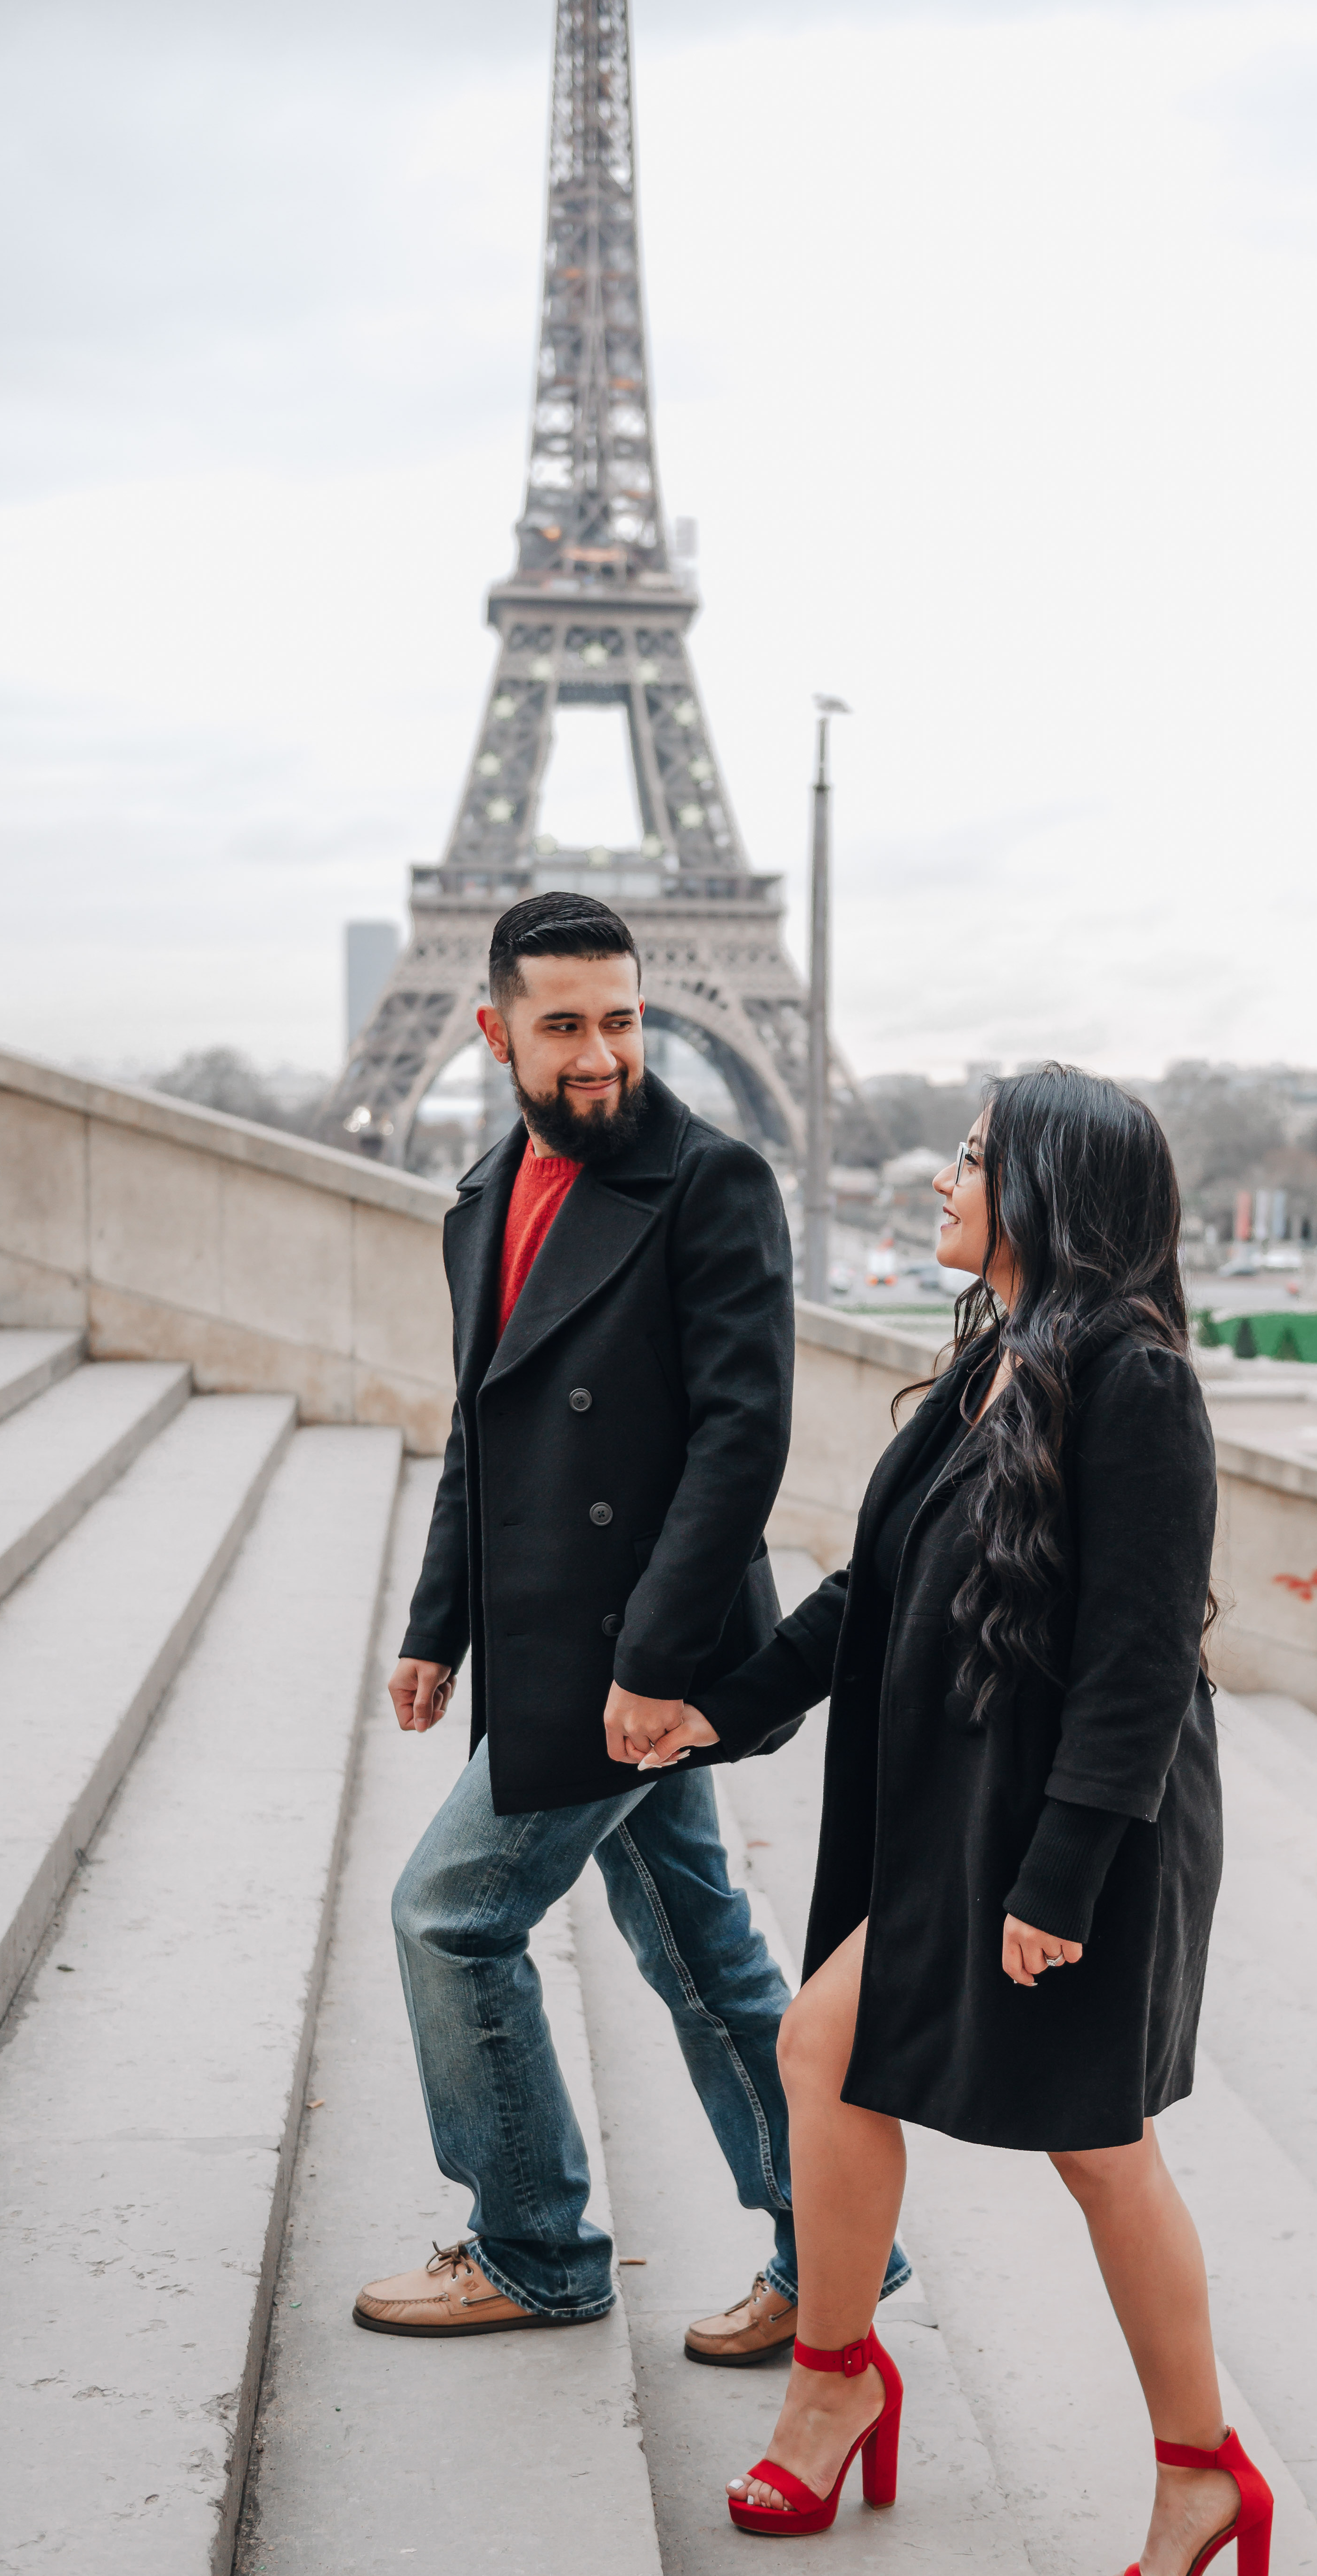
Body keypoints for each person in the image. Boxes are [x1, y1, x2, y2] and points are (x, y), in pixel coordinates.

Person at [646, 1066, 1273, 2576]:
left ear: (1048, 1190)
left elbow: (1137, 1661)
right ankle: (835, 2378)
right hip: (958, 1813)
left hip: (1079, 1830)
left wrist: (1058, 1880)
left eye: (975, 1158)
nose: (940, 1178)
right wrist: (711, 1713)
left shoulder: (1133, 1381)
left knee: (1098, 2146)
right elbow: (868, 1600)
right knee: (823, 2047)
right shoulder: (1000, 1358)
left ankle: (1201, 2469)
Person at [353, 891, 908, 2351]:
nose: (600, 1054)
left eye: (621, 1018)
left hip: (634, 1655)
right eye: (564, 1027)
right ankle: (829, 2254)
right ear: (493, 1031)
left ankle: (533, 2244)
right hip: (546, 1644)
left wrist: (655, 1667)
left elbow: (742, 1440)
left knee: (450, 1915)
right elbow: (483, 1432)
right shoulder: (483, 1196)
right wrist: (436, 1626)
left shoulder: (714, 1182)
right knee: (698, 1949)